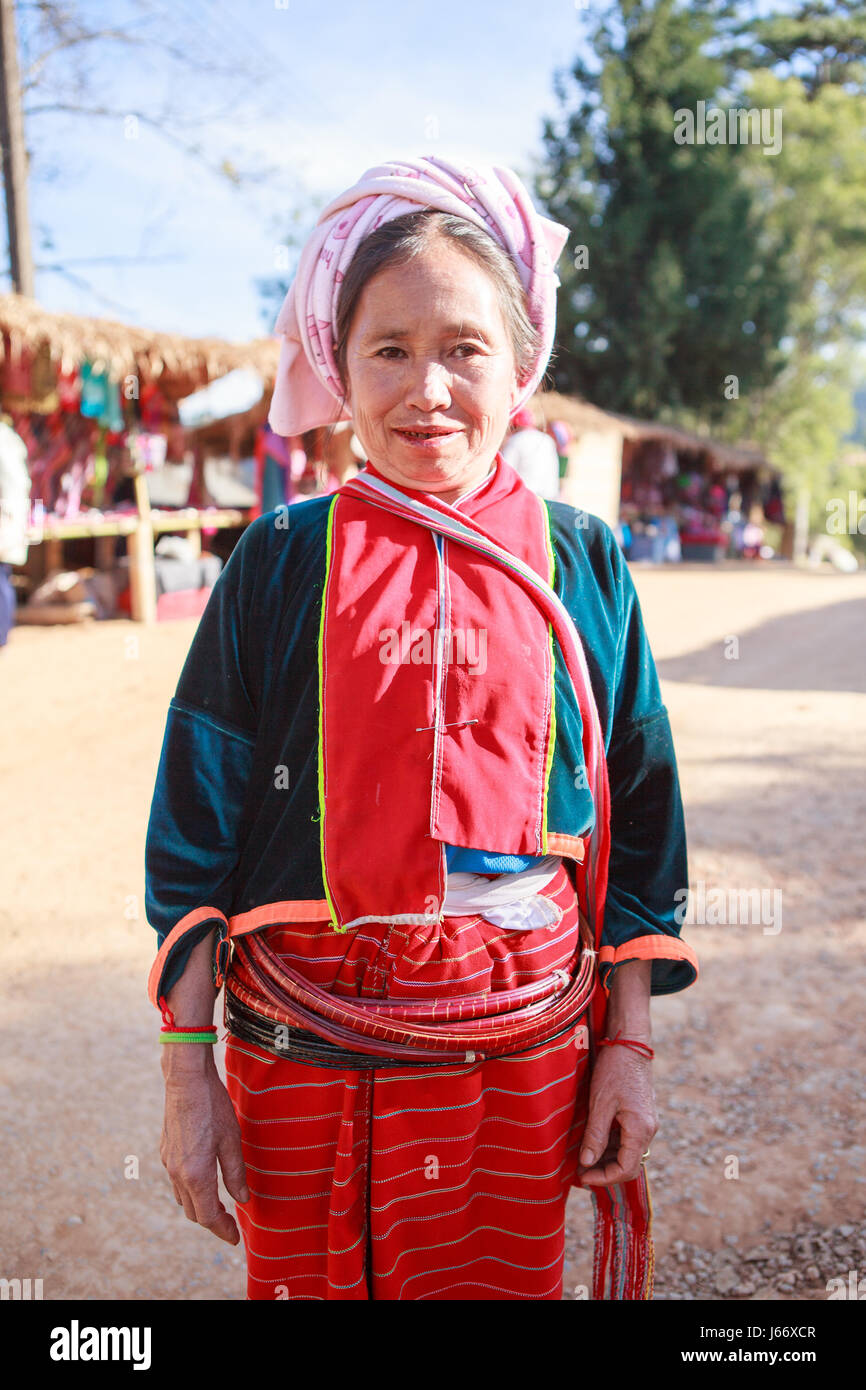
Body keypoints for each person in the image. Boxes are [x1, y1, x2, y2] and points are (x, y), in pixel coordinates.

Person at [145, 155, 697, 1302]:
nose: (426, 389)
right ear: (338, 374)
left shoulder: (583, 559)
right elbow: (194, 824)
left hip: (521, 1048)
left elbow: (637, 817)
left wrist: (627, 1049)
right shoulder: (282, 557)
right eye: (387, 351)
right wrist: (188, 1072)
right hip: (299, 1046)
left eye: (462, 348)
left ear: (519, 365)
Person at [0, 413, 31, 647]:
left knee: (1, 578)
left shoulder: (3, 439)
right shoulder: (8, 438)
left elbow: (13, 486)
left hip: (6, 516)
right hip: (10, 514)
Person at [500, 404, 561, 500]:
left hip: (528, 498)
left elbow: (505, 472)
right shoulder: (548, 440)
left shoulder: (516, 440)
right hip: (550, 497)